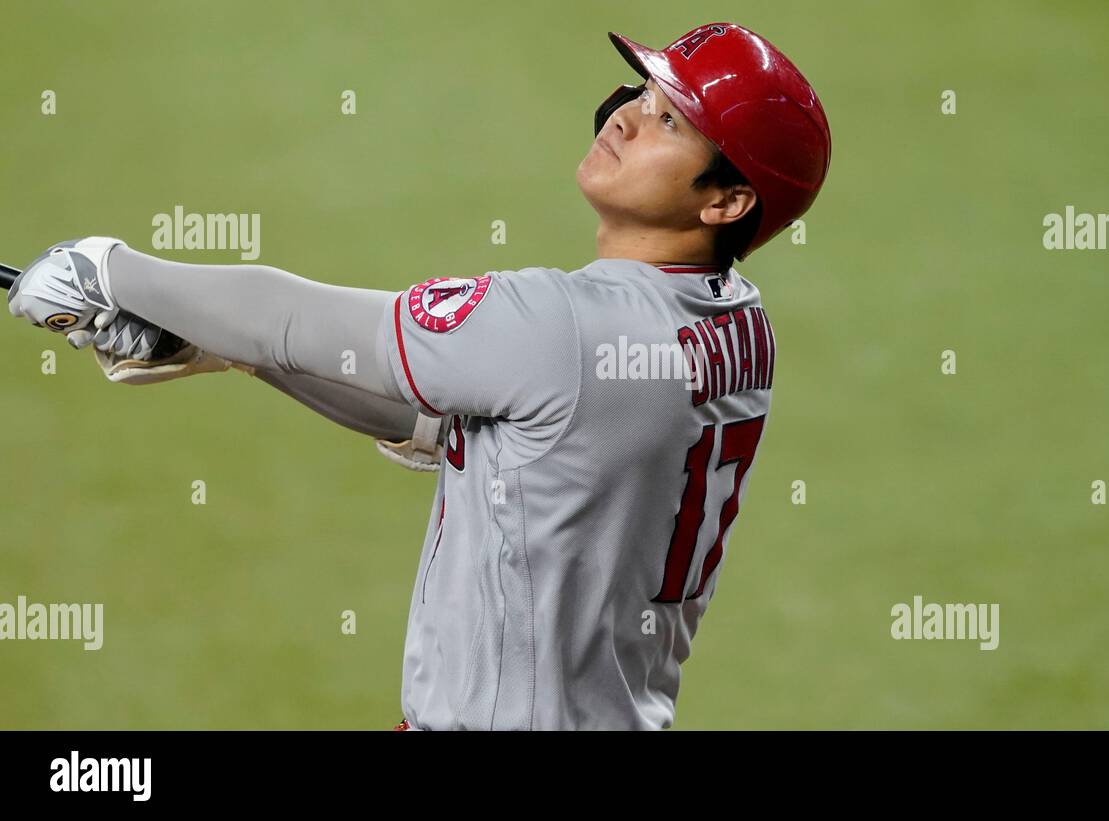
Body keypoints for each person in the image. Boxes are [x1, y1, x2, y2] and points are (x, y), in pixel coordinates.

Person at [7, 22, 831, 730]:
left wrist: (107, 270)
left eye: (669, 120)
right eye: (638, 95)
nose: (623, 119)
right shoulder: (736, 325)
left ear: (726, 201)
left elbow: (296, 318)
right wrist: (223, 348)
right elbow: (460, 423)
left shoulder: (563, 327)